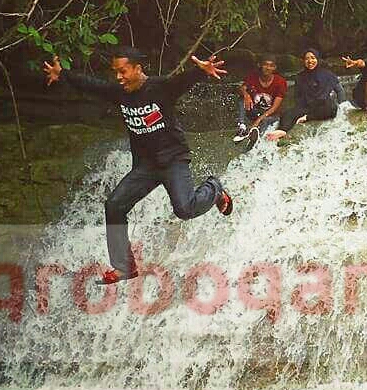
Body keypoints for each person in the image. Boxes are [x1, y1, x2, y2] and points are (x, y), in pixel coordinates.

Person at [43, 46, 233, 284]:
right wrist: (62, 74)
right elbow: (91, 85)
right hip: (146, 166)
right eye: (116, 72)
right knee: (114, 205)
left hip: (173, 160)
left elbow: (181, 81)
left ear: (137, 68)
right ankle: (124, 266)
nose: (119, 77)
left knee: (184, 210)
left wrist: (201, 71)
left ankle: (214, 188)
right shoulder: (119, 93)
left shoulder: (159, 88)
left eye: (123, 71)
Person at [265, 50, 344, 141]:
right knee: (288, 113)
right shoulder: (300, 77)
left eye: (313, 58)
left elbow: (340, 91)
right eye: (307, 59)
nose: (310, 61)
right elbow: (297, 96)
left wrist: (343, 107)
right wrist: (300, 109)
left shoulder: (327, 74)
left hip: (323, 105)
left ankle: (307, 117)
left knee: (332, 108)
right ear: (303, 61)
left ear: (318, 59)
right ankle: (282, 130)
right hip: (307, 106)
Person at [234, 55, 287, 145]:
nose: (268, 68)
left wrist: (258, 120)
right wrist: (246, 95)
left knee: (265, 122)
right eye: (265, 65)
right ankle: (242, 127)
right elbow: (241, 88)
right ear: (260, 65)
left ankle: (256, 137)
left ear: (274, 68)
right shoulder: (253, 77)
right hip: (256, 112)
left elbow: (274, 107)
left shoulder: (280, 82)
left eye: (271, 65)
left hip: (271, 116)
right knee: (242, 99)